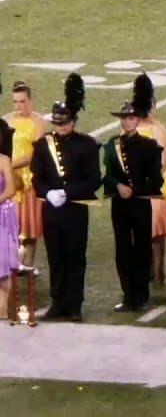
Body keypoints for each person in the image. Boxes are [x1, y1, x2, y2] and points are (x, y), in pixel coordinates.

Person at [31, 73, 101, 322]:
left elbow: (94, 180)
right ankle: (57, 302)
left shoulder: (87, 145)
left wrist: (67, 192)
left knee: (74, 256)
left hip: (74, 209)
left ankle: (74, 305)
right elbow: (36, 177)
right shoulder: (42, 144)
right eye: (57, 123)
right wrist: (47, 192)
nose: (60, 127)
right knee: (55, 256)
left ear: (73, 121)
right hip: (51, 210)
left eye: (64, 123)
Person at [103, 91, 165, 313]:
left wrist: (134, 189)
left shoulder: (149, 146)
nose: (127, 121)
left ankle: (141, 295)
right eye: (124, 118)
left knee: (141, 249)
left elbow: (156, 179)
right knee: (122, 249)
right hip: (120, 204)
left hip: (140, 203)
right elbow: (107, 174)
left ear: (137, 120)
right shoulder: (112, 145)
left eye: (131, 118)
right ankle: (128, 295)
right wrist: (118, 186)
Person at [130, 75, 166, 288]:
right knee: (137, 232)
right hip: (134, 188)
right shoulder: (130, 128)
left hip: (155, 188)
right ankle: (143, 269)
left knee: (155, 233)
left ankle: (158, 270)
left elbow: (164, 163)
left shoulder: (158, 130)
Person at [5, 80, 47, 275]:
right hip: (8, 179)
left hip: (30, 179)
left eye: (22, 101)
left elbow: (35, 154)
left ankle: (29, 264)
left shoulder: (39, 122)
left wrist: (9, 164)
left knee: (29, 224)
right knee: (9, 223)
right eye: (15, 102)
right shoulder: (5, 121)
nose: (18, 106)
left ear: (30, 101)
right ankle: (10, 260)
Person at [0, 118, 16, 319]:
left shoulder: (4, 160)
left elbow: (11, 189)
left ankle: (2, 314)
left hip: (3, 218)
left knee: (3, 269)